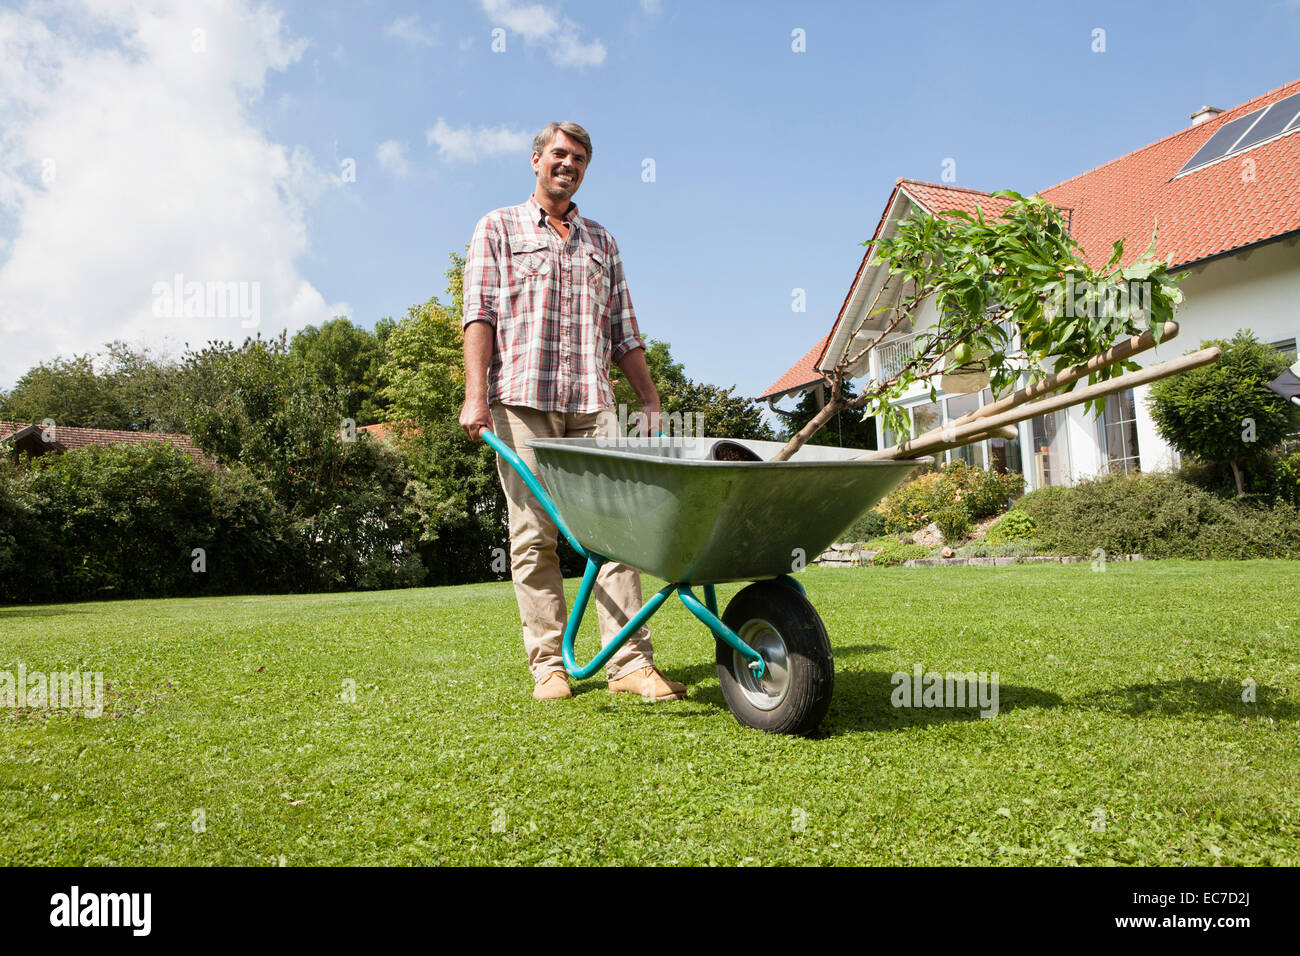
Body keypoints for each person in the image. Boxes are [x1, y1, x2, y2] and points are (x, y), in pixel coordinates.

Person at [458, 121, 687, 703]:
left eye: (579, 158)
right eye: (559, 153)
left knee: (618, 532)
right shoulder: (497, 228)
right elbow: (479, 316)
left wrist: (650, 398)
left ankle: (630, 664)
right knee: (534, 535)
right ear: (535, 159)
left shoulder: (602, 242)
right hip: (522, 399)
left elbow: (624, 331)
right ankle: (549, 664)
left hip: (592, 403)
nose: (569, 164)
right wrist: (474, 395)